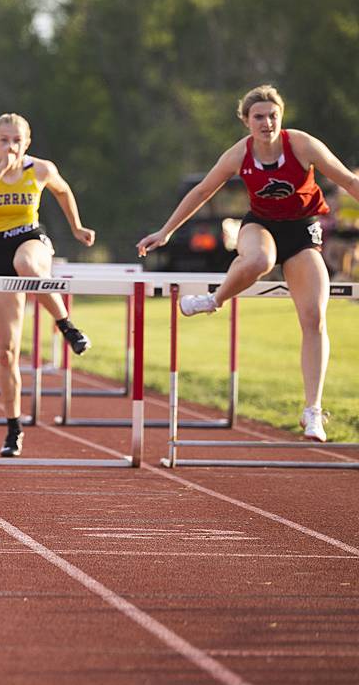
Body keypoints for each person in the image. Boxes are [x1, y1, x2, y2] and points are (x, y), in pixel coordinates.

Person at [138, 85, 359, 442]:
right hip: (260, 225)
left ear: (281, 117)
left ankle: (313, 411)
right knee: (258, 260)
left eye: (273, 115)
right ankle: (215, 299)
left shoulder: (301, 144)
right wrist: (165, 231)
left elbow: (348, 180)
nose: (267, 122)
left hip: (303, 231)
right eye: (259, 117)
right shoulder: (239, 154)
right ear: (246, 121)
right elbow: (201, 192)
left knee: (315, 317)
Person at [0, 113, 95, 457]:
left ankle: (66, 325)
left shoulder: (40, 169)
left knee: (26, 264)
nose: (11, 146)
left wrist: (77, 227)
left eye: (17, 141)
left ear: (27, 143)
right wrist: (0, 170)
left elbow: (64, 192)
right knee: (6, 353)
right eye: (4, 140)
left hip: (30, 240)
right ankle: (13, 428)